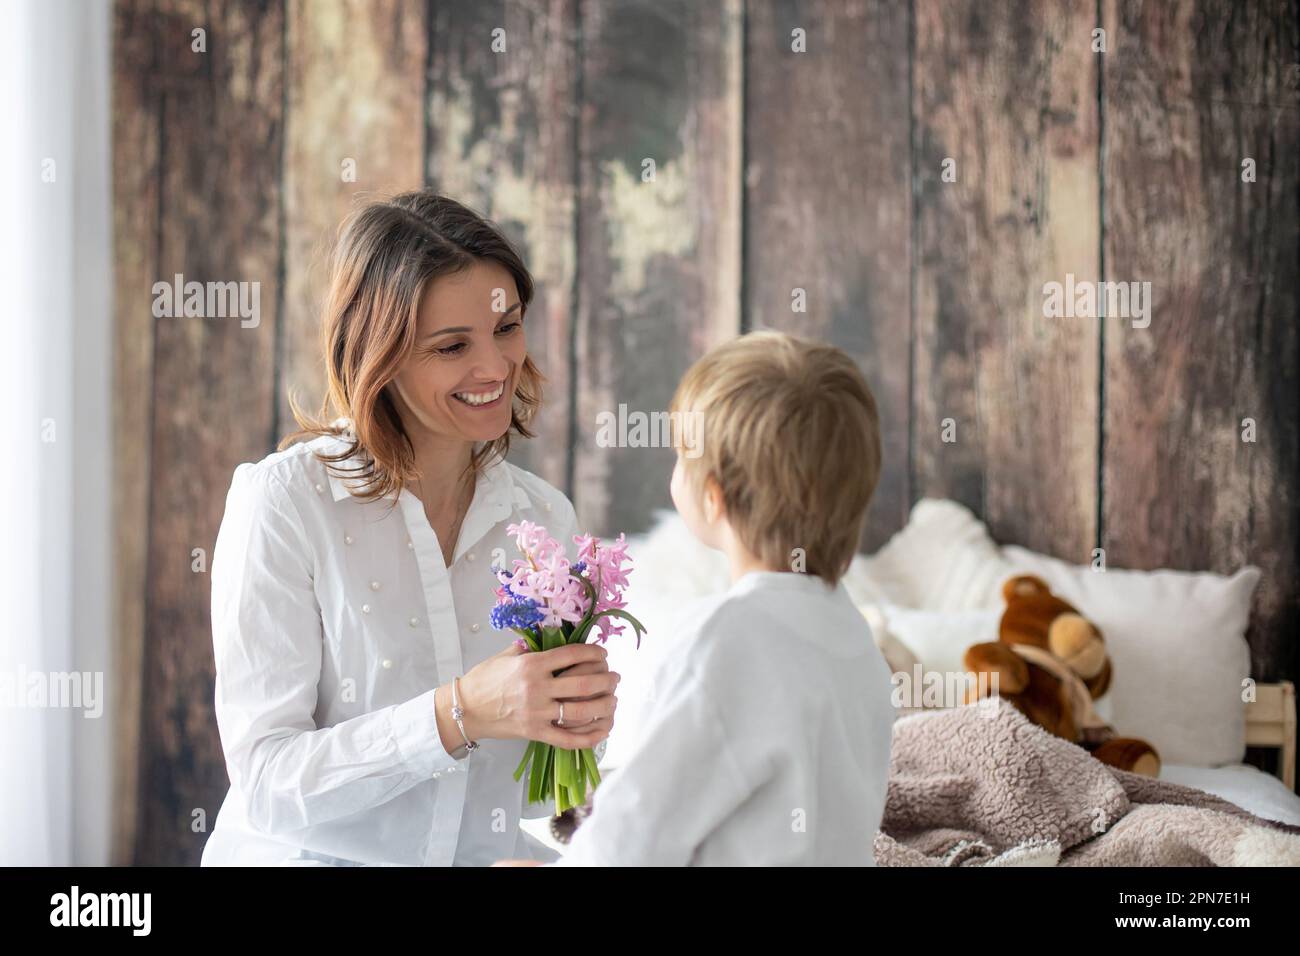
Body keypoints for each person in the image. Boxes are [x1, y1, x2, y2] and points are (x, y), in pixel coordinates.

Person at [201, 191, 617, 866]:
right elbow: (269, 784)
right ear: (380, 356)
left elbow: (538, 802)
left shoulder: (543, 520)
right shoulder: (283, 503)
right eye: (453, 346)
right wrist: (457, 714)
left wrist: (578, 733)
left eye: (506, 328)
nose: (494, 367)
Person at [499, 330, 896, 866]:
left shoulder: (728, 642)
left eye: (683, 455)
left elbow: (634, 831)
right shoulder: (852, 636)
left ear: (714, 498)